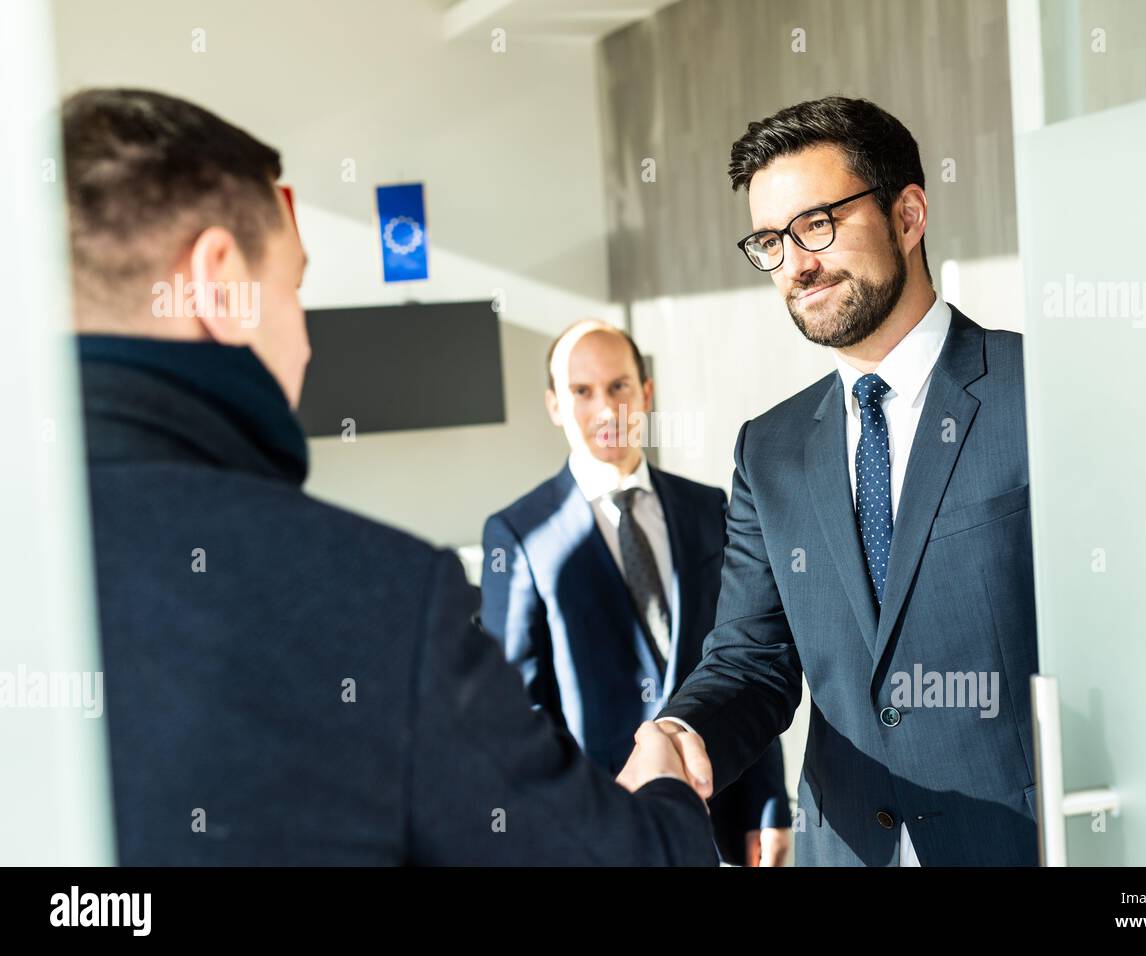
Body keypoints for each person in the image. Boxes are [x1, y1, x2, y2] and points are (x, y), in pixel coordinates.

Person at [64, 87, 715, 865]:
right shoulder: (381, 601)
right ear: (218, 282)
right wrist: (663, 798)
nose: (305, 346)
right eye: (294, 289)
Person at [621, 96, 1039, 866]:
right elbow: (753, 659)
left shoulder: (1037, 391)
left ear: (908, 215)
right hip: (845, 846)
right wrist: (681, 733)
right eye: (772, 241)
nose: (797, 265)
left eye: (818, 224)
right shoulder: (769, 450)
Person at [480, 320, 792, 866]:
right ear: (555, 405)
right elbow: (515, 713)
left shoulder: (709, 507)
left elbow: (749, 657)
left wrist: (767, 804)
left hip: (718, 822)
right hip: (599, 831)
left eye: (619, 386)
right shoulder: (519, 534)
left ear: (646, 393)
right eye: (582, 391)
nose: (605, 409)